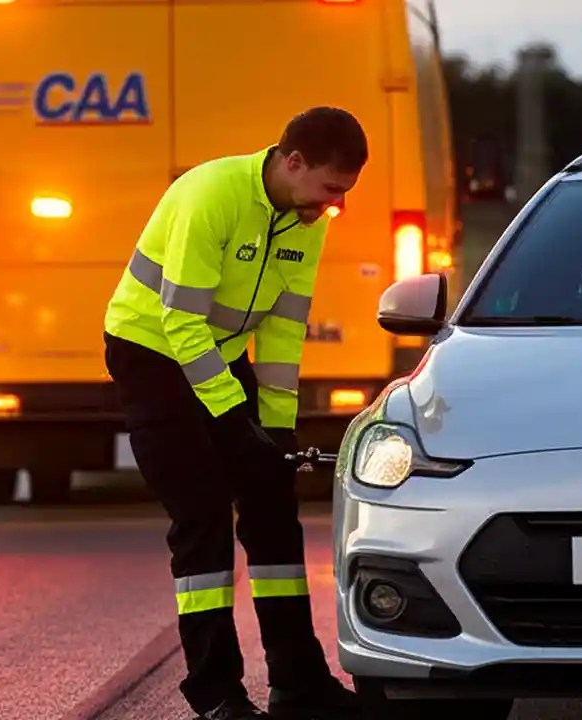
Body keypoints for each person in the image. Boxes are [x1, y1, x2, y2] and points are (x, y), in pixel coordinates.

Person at [102, 107, 368, 720]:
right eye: (331, 188)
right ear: (292, 161)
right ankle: (216, 693)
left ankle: (299, 683)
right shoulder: (209, 194)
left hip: (216, 356)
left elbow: (282, 331)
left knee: (274, 508)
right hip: (152, 352)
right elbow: (179, 321)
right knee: (203, 518)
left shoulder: (309, 216)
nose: (334, 205)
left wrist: (275, 427)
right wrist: (229, 421)